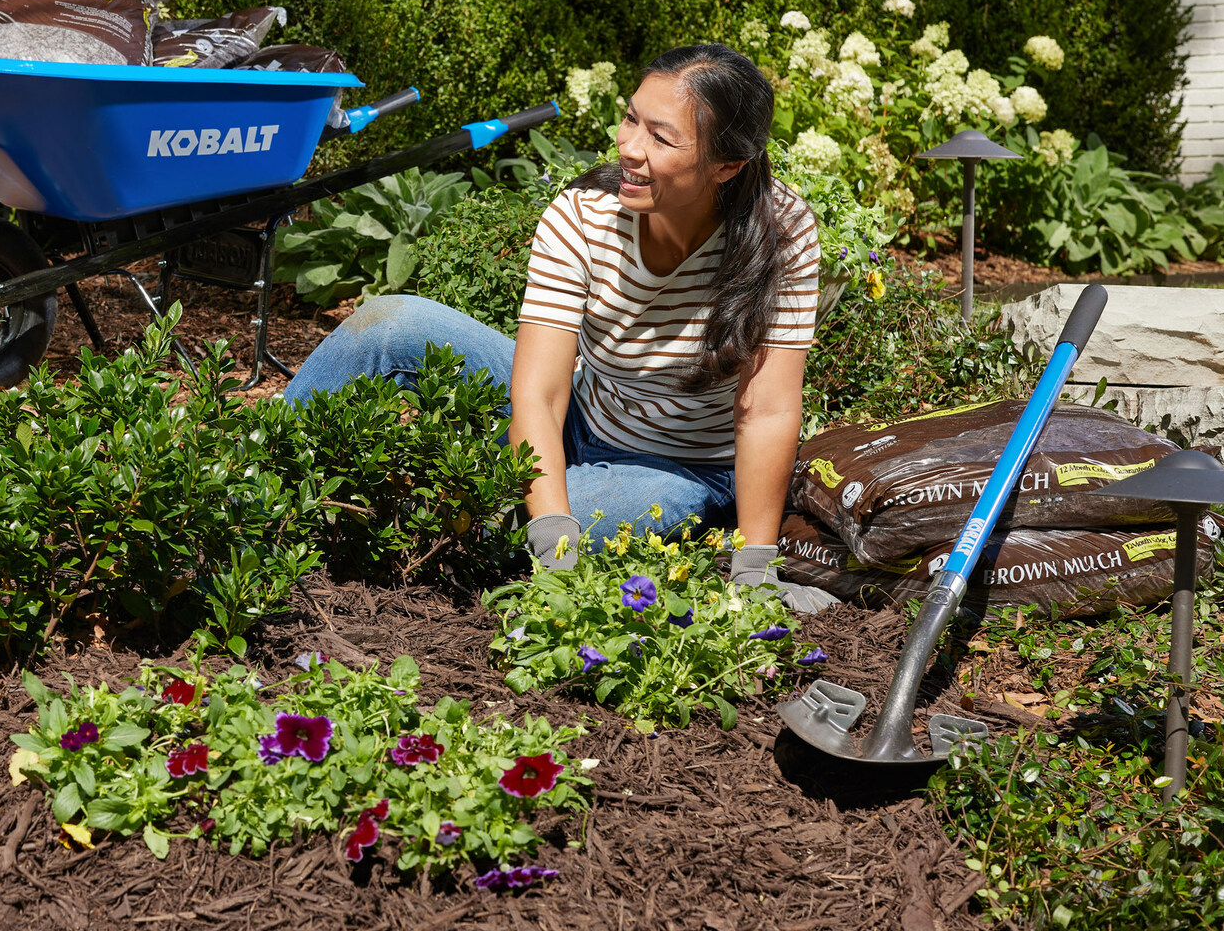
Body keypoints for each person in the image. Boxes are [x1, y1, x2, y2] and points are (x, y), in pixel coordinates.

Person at [279, 44, 838, 612]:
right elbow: (540, 392)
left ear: (727, 165)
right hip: (578, 414)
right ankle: (248, 482)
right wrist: (553, 534)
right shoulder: (583, 214)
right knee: (388, 322)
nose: (629, 148)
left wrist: (754, 569)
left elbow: (764, 410)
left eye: (661, 138)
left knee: (494, 528)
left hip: (685, 469)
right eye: (630, 119)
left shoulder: (779, 233)